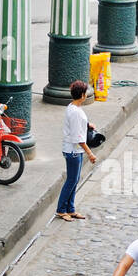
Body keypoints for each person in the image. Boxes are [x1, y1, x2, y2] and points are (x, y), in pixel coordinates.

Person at [55, 79, 96, 221]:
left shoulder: (73, 107)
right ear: (83, 95)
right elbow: (78, 138)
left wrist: (87, 125)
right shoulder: (76, 112)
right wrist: (90, 153)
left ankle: (70, 209)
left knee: (75, 179)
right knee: (71, 180)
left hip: (74, 150)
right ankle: (61, 209)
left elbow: (78, 126)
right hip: (73, 150)